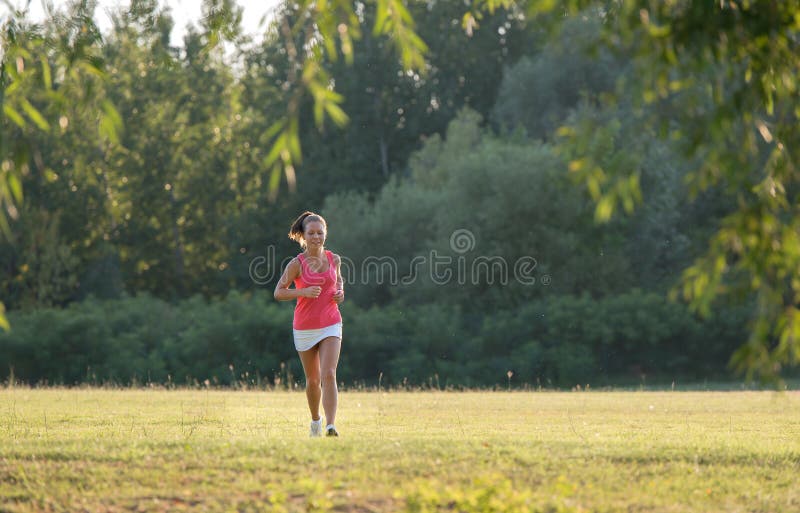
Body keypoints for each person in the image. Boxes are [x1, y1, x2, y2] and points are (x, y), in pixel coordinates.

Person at [274, 211, 344, 437]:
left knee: (329, 373)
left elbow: (338, 281)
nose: (316, 237)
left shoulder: (334, 259)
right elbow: (278, 292)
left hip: (331, 322)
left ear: (325, 234)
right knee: (313, 380)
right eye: (311, 233)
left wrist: (340, 293)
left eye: (320, 233)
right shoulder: (297, 264)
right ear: (303, 236)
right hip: (305, 327)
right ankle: (316, 420)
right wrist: (303, 292)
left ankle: (331, 425)